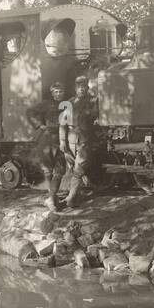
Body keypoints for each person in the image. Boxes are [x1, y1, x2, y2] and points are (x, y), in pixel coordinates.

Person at [26, 80, 70, 212]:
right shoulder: (45, 104)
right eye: (56, 92)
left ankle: (51, 198)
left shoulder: (67, 104)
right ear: (52, 93)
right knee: (48, 170)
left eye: (60, 92)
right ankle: (52, 198)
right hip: (47, 140)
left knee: (60, 170)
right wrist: (39, 125)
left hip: (62, 139)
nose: (58, 94)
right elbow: (30, 112)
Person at [61, 75, 100, 207]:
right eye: (79, 87)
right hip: (71, 140)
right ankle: (79, 191)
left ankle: (71, 198)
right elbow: (62, 124)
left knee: (78, 169)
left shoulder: (93, 101)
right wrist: (62, 142)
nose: (82, 89)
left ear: (87, 87)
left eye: (84, 87)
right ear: (75, 88)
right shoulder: (69, 103)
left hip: (85, 140)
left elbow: (96, 116)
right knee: (74, 169)